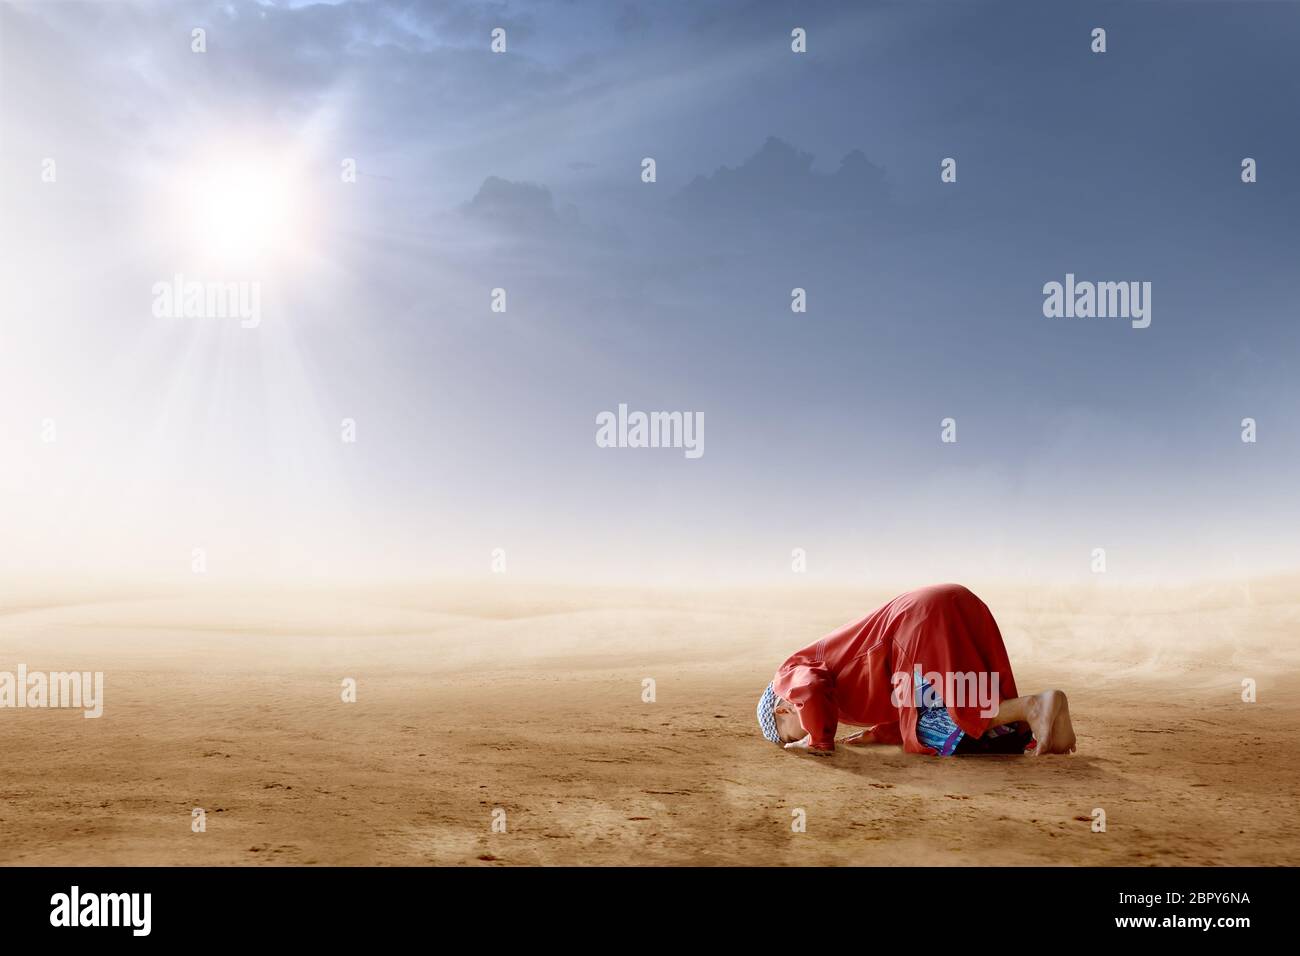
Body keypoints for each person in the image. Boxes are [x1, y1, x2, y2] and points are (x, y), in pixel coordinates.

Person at [755, 583, 1076, 756]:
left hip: (916, 625)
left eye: (787, 737)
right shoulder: (830, 694)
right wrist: (880, 734)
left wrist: (816, 740)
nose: (791, 741)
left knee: (928, 730)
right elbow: (897, 701)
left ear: (783, 710)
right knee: (966, 707)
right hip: (940, 605)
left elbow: (809, 689)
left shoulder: (787, 675)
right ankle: (1051, 720)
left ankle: (1031, 706)